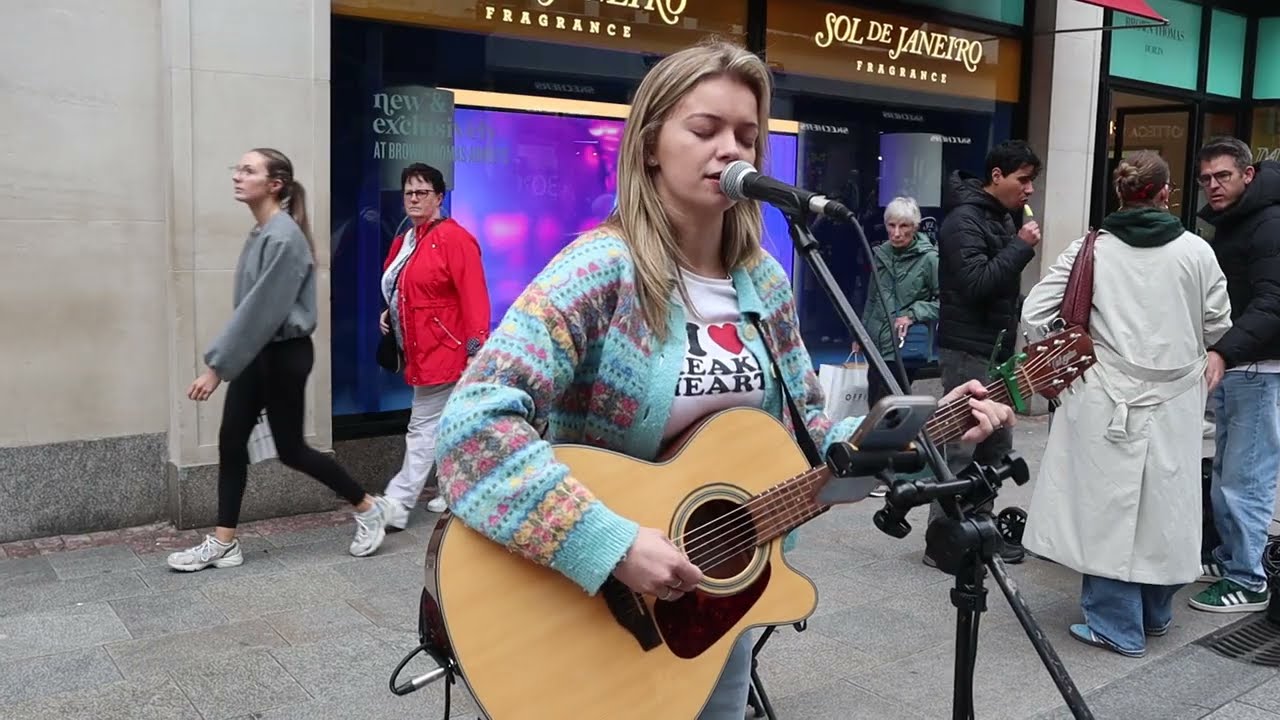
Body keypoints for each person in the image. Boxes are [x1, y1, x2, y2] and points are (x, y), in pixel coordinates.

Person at [432, 38, 1016, 719]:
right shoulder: (600, 271)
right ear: (651, 144)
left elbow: (813, 432)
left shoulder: (764, 281)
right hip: (588, 604)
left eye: (747, 134)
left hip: (720, 596)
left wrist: (927, 426)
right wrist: (610, 543)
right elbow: (473, 425)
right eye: (705, 130)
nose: (731, 149)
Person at [1021, 151, 1232, 658]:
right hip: (1175, 397)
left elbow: (1035, 311)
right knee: (1166, 507)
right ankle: (1156, 613)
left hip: (1104, 393)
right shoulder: (1196, 251)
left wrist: (1075, 346)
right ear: (1165, 194)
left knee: (1105, 509)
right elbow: (1219, 322)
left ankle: (1115, 623)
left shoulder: (1090, 248)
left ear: (1120, 194)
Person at [172, 148, 391, 572]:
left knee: (291, 449)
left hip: (281, 354)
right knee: (232, 440)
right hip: (260, 351)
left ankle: (367, 506)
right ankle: (224, 541)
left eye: (248, 170)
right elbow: (252, 313)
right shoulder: (263, 232)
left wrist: (217, 368)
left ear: (275, 184)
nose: (238, 176)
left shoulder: (283, 238)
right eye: (237, 168)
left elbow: (261, 311)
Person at [929, 139, 1044, 566]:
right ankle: (944, 542)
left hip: (994, 349)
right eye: (1023, 180)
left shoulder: (999, 216)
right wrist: (1020, 246)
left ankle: (978, 529)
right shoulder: (963, 221)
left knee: (996, 443)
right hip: (968, 351)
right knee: (960, 447)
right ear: (997, 176)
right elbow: (976, 283)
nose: (1029, 190)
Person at [1191, 137, 1280, 614]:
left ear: (1248, 174)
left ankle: (1249, 579)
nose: (1212, 186)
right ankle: (1231, 559)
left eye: (1222, 176)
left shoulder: (1269, 223)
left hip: (1258, 368)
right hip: (1242, 365)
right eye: (1205, 179)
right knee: (1228, 471)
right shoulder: (1238, 221)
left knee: (1246, 477)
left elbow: (1273, 303)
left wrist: (1223, 350)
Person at [378, 163, 490, 526]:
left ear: (439, 197)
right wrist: (390, 312)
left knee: (422, 426)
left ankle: (397, 503)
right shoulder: (406, 240)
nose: (413, 198)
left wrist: (476, 348)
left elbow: (474, 298)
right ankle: (457, 489)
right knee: (451, 425)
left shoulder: (455, 239)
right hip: (422, 346)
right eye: (409, 191)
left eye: (422, 192)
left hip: (448, 348)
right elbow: (407, 288)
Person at [854, 196, 939, 407]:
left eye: (904, 226)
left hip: (905, 343)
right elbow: (872, 299)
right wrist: (860, 334)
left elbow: (945, 302)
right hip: (877, 342)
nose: (897, 232)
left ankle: (894, 440)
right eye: (891, 225)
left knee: (891, 405)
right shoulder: (881, 255)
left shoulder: (929, 259)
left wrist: (913, 314)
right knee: (875, 403)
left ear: (915, 227)